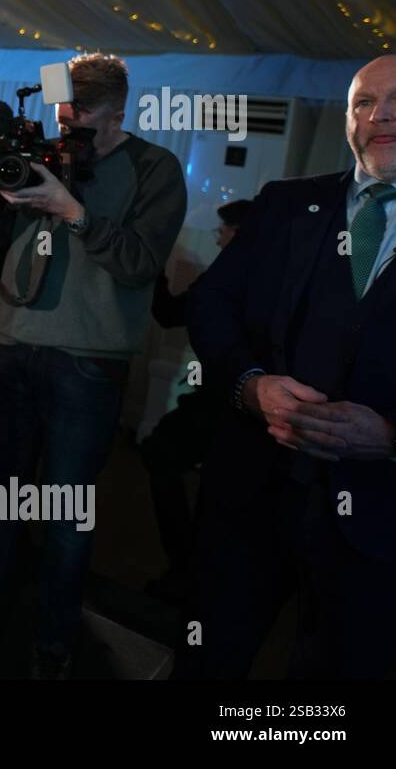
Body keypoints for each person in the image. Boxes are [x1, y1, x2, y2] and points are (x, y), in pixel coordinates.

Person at [0, 53, 186, 678]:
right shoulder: (40, 150)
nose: (70, 120)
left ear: (120, 110)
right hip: (13, 344)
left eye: (84, 110)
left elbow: (141, 263)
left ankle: (55, 646)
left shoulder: (154, 168)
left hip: (87, 359)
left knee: (64, 512)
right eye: (64, 107)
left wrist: (72, 210)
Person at [179, 55, 396, 678]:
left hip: (378, 525)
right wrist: (250, 385)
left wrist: (390, 436)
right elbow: (211, 303)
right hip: (252, 494)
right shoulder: (285, 206)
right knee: (210, 654)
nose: (380, 115)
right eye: (363, 102)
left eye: (395, 102)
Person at [138, 199, 251, 605]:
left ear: (239, 233)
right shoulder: (268, 278)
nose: (217, 235)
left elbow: (169, 314)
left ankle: (187, 572)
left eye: (224, 228)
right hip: (232, 402)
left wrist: (150, 265)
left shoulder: (228, 277)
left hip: (223, 400)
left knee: (162, 455)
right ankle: (195, 577)